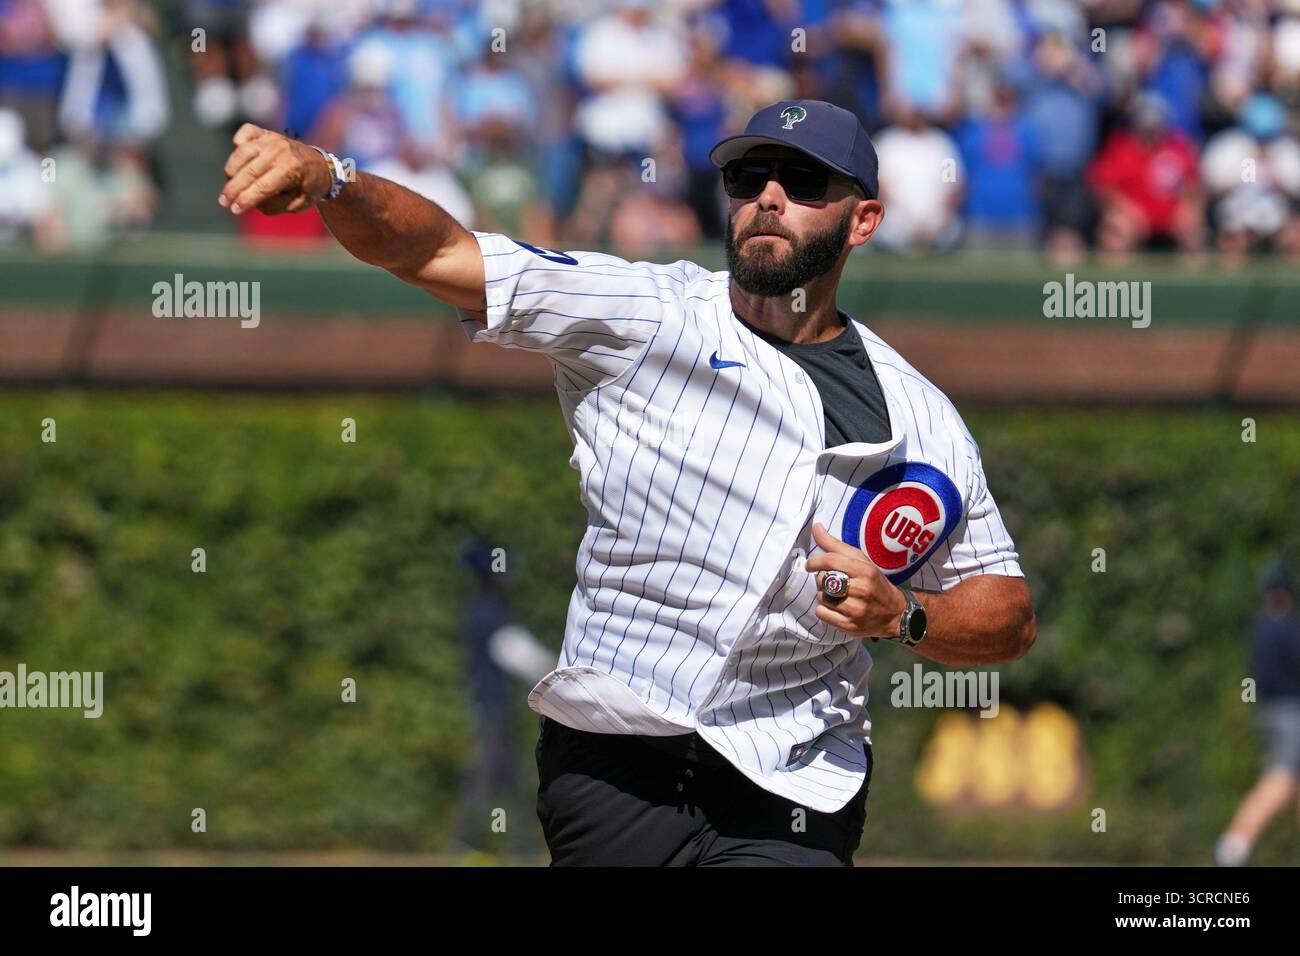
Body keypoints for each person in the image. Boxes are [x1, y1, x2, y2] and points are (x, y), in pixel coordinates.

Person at [217, 97, 1036, 867]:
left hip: (796, 770)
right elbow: (441, 252)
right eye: (749, 179)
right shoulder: (649, 314)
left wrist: (908, 614)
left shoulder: (916, 412)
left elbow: (1007, 614)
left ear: (864, 221)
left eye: (806, 182)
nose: (769, 198)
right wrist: (332, 176)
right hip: (617, 746)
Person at [1216, 562, 1300, 867]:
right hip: (1292, 712)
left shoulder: (1259, 629)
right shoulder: (1288, 629)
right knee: (1281, 778)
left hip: (1270, 712)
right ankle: (1235, 844)